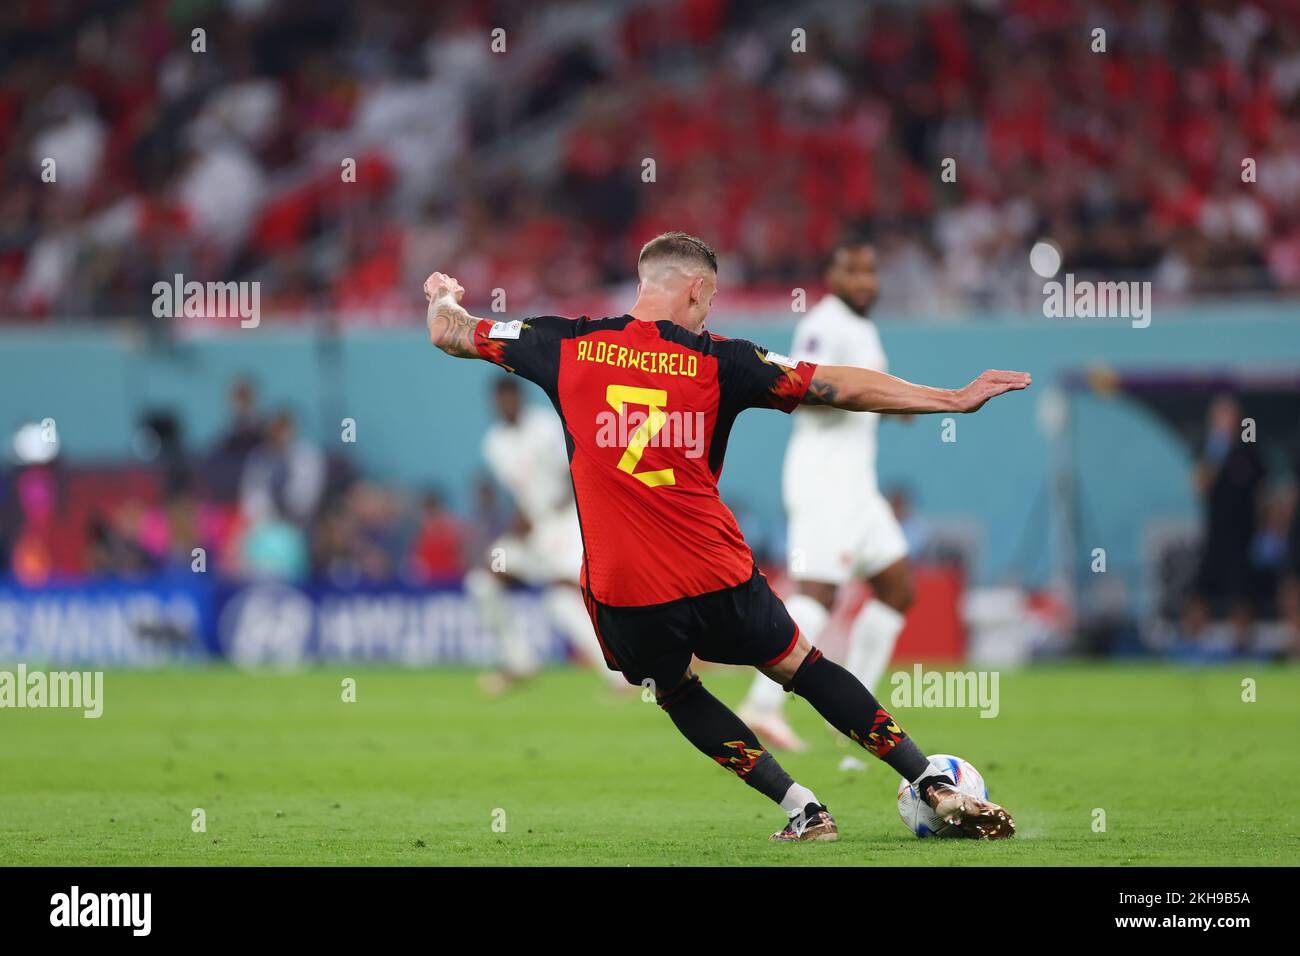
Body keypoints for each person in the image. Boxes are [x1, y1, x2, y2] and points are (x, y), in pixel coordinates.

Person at [421, 231, 1029, 841]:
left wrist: (442, 297)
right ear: (696, 287)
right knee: (804, 667)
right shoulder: (723, 360)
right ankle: (930, 781)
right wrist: (949, 398)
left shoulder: (562, 343)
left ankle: (803, 809)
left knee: (677, 691)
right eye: (709, 298)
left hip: (625, 588)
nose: (709, 310)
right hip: (717, 572)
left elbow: (452, 332)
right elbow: (836, 385)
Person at [739, 238, 916, 753]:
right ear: (832, 276)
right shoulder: (822, 324)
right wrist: (861, 400)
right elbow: (802, 393)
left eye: (871, 272)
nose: (864, 281)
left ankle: (851, 711)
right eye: (853, 272)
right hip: (824, 480)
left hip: (858, 485)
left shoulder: (861, 327)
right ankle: (760, 705)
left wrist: (887, 404)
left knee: (898, 588)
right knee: (819, 591)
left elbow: (862, 390)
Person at [468, 376, 623, 693]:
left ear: (520, 399)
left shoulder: (543, 426)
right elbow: (521, 493)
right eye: (500, 401)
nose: (506, 405)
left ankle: (618, 674)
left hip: (566, 521)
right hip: (535, 529)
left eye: (511, 398)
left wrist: (549, 513)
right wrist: (524, 521)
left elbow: (573, 470)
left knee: (563, 597)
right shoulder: (494, 443)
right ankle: (518, 661)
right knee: (484, 580)